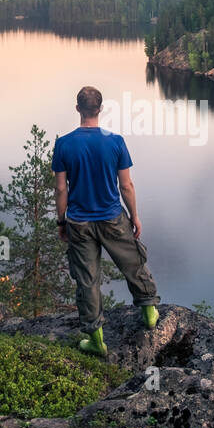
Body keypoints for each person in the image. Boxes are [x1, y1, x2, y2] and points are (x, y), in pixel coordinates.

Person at [52, 86, 160, 357]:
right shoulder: (115, 142)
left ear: (78, 109)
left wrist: (61, 221)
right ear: (100, 109)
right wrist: (134, 216)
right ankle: (148, 311)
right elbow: (127, 186)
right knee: (133, 263)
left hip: (78, 222)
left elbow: (61, 189)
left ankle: (96, 338)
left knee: (87, 279)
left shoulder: (64, 144)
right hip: (112, 217)